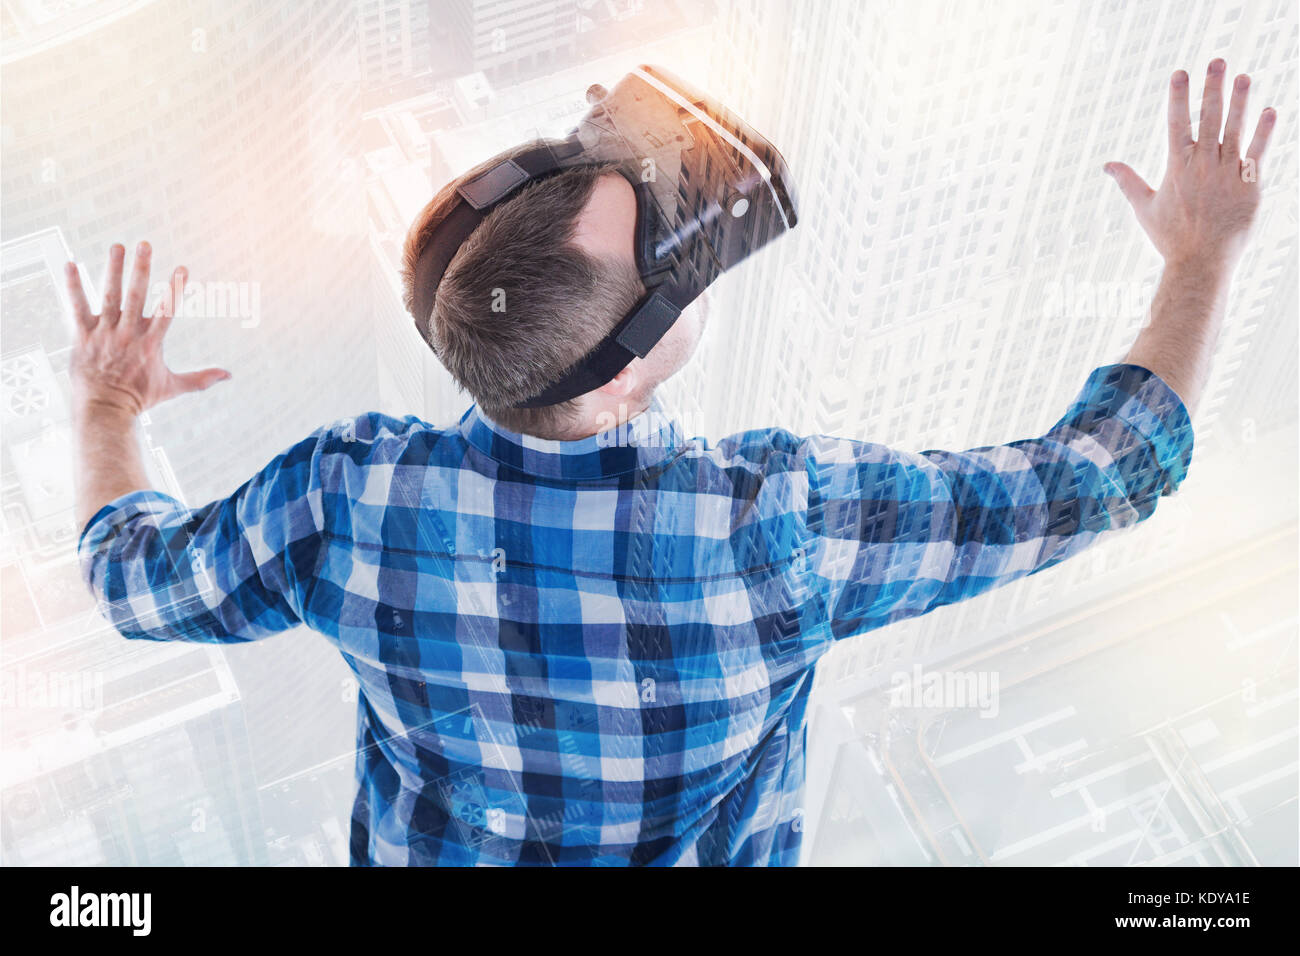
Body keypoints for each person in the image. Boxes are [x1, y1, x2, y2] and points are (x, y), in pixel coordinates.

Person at [72, 60, 1276, 865]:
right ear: (629, 367)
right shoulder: (782, 528)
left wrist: (112, 401)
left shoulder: (341, 500)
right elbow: (1106, 470)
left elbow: (132, 579)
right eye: (664, 253)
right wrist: (1200, 259)